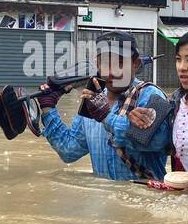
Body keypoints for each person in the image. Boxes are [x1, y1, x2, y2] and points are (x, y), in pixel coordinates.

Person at [37, 30, 171, 181]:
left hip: (146, 199)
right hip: (106, 200)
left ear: (136, 64)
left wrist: (107, 118)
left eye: (120, 63)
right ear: (98, 64)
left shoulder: (151, 96)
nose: (112, 72)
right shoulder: (91, 99)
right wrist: (48, 108)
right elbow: (69, 151)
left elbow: (158, 142)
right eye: (106, 63)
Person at [130, 28, 188, 171]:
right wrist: (136, 122)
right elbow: (143, 143)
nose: (182, 67)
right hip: (179, 190)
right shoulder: (173, 104)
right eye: (178, 59)